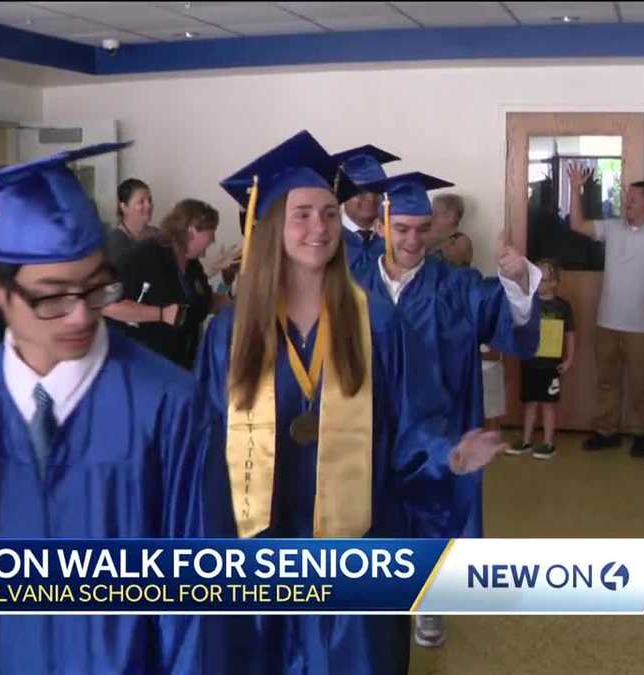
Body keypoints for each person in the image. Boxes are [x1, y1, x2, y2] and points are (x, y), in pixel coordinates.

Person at [0, 143, 224, 674]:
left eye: (95, 288)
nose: (80, 316)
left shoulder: (170, 407)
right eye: (52, 296)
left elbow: (199, 605)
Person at [201, 131, 509, 674]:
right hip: (260, 550)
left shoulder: (377, 322)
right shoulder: (232, 332)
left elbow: (410, 422)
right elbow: (205, 440)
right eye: (301, 215)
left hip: (358, 545)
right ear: (271, 227)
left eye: (327, 213)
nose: (319, 228)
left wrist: (450, 456)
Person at [351, 170, 541, 648]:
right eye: (402, 228)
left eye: (422, 228)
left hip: (439, 424)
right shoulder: (351, 284)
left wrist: (517, 281)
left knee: (433, 515)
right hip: (369, 426)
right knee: (372, 514)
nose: (413, 240)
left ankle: (431, 603)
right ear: (384, 225)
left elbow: (507, 319)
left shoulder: (456, 285)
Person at [568, 166, 644, 458]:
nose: (626, 201)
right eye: (626, 197)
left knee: (640, 384)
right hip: (607, 320)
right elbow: (577, 225)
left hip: (643, 325)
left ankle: (642, 433)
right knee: (606, 381)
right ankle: (606, 432)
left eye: (633, 198)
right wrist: (575, 188)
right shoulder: (612, 227)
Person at [102, 198, 229, 369]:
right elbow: (107, 305)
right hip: (144, 364)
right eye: (211, 232)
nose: (213, 239)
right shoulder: (144, 256)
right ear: (192, 230)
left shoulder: (192, 265)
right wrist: (160, 314)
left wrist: (235, 296)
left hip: (181, 363)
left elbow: (203, 303)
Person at [509, 259, 572, 460]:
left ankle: (548, 443)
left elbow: (570, 334)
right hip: (530, 361)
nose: (539, 284)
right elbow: (519, 328)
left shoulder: (563, 307)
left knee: (548, 404)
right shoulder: (528, 303)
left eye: (543, 280)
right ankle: (526, 440)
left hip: (551, 365)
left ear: (555, 282)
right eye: (535, 279)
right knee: (529, 402)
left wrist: (569, 359)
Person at [332, 145, 399, 278]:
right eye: (360, 192)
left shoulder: (394, 239)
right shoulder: (327, 236)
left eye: (377, 191)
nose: (370, 198)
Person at [106, 177, 158, 265]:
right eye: (141, 202)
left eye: (150, 200)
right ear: (124, 207)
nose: (149, 205)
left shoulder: (158, 234)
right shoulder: (115, 242)